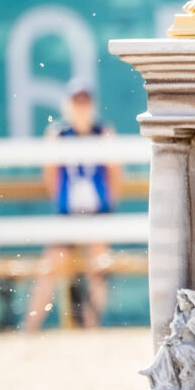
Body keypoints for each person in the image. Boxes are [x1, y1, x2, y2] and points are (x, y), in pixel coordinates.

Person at [26, 83, 122, 331]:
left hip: (97, 213)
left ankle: (91, 325)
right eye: (77, 102)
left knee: (98, 266)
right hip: (69, 213)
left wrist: (106, 207)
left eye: (84, 102)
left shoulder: (103, 132)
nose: (81, 108)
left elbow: (114, 174)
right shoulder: (58, 134)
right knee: (50, 266)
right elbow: (50, 176)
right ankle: (30, 326)